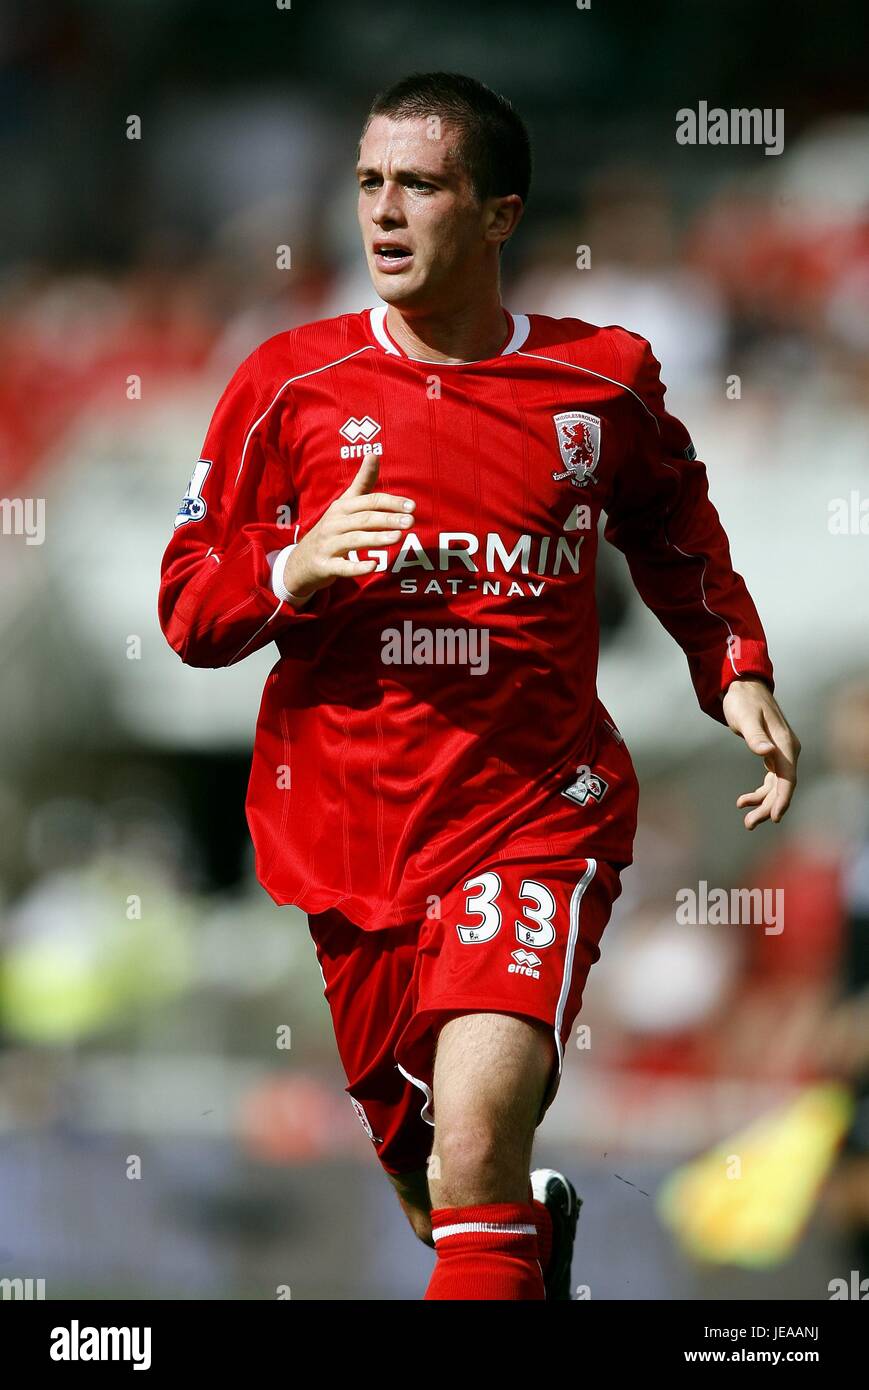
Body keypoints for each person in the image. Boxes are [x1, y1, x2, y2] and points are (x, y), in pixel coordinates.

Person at [158, 71, 801, 1300]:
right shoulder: (288, 386)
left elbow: (672, 522)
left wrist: (732, 665)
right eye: (367, 184)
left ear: (498, 214)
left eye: (419, 184)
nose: (384, 213)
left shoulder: (598, 382)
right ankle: (522, 1252)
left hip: (531, 817)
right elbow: (188, 608)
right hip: (349, 837)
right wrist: (291, 567)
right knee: (438, 1189)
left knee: (476, 1143)